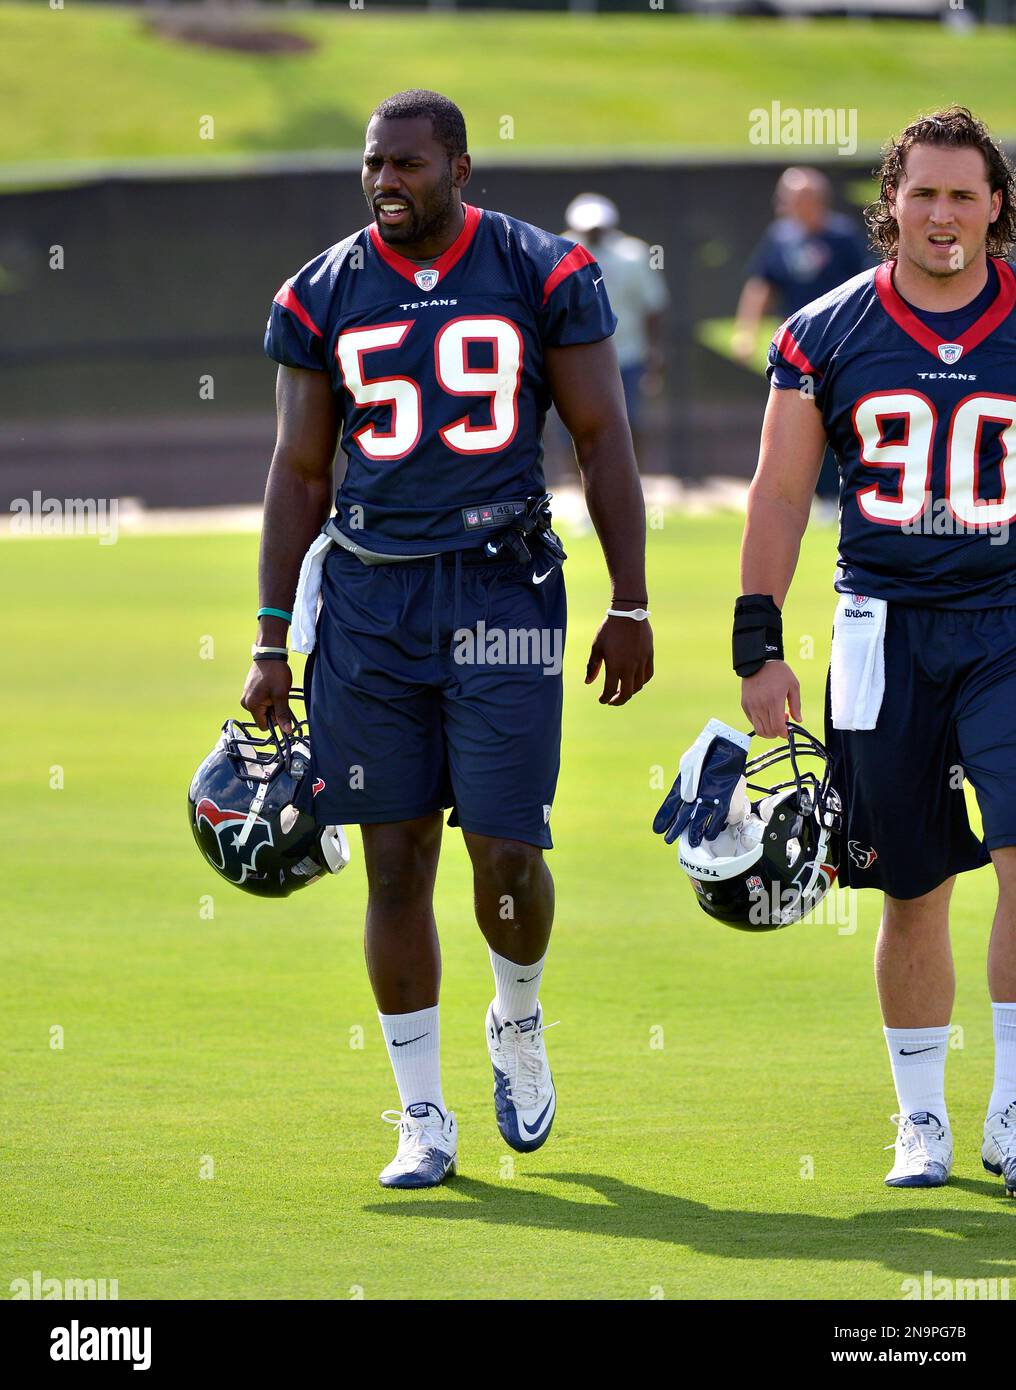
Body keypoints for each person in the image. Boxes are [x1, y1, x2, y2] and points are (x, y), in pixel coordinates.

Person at [242, 90, 653, 1189]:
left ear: (459, 169)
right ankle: (420, 1113)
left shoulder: (540, 269)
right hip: (370, 603)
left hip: (501, 588)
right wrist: (270, 640)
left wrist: (631, 599)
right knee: (392, 859)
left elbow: (601, 433)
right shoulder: (318, 291)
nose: (387, 180)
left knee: (507, 848)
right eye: (373, 163)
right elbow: (297, 472)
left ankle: (515, 1016)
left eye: (408, 164)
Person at [736, 106, 1016, 1194]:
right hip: (882, 630)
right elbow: (777, 489)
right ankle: (920, 1118)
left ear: (994, 205)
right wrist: (756, 641)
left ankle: (1007, 1101)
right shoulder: (824, 330)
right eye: (922, 193)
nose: (940, 215)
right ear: (889, 202)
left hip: (1007, 620)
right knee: (910, 889)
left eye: (962, 194)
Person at [734, 168, 871, 515]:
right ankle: (810, 496)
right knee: (798, 420)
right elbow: (762, 284)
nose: (786, 204)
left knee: (842, 416)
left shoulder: (841, 237)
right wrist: (746, 331)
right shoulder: (779, 237)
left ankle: (839, 493)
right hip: (800, 352)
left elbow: (866, 285)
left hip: (841, 345)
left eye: (796, 197)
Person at [562, 193, 669, 464]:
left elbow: (652, 306)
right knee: (574, 424)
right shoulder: (559, 250)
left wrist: (654, 352)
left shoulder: (632, 254)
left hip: (627, 355)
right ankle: (582, 487)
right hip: (577, 357)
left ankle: (634, 481)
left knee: (630, 420)